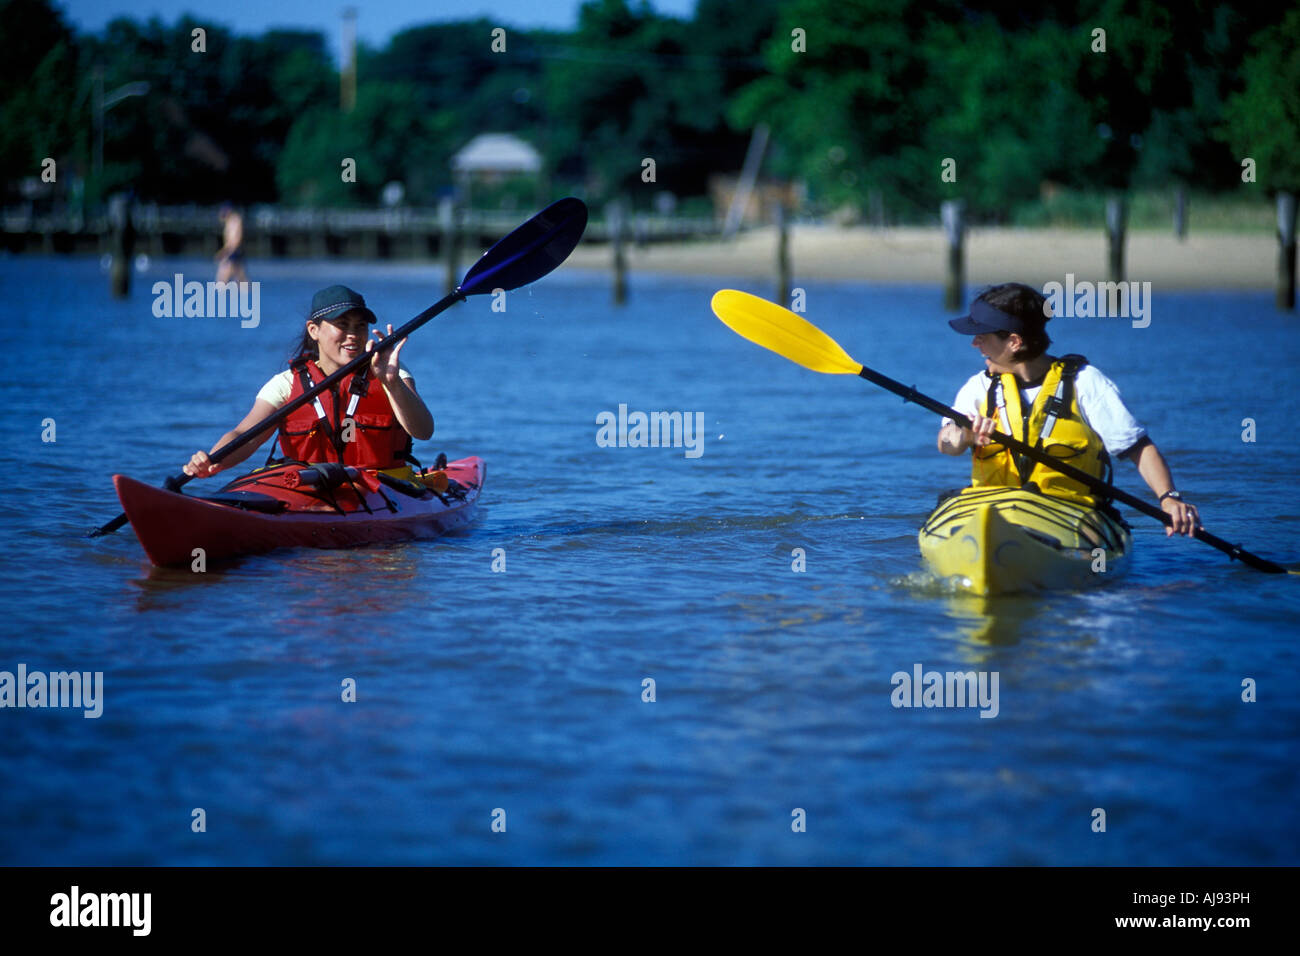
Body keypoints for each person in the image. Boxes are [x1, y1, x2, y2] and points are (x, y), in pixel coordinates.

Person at [936, 283, 1200, 537]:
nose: (975, 344)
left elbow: (1137, 448)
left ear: (1014, 341)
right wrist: (963, 437)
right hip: (991, 511)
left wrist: (1169, 499)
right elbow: (947, 441)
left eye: (982, 336)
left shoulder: (1085, 382)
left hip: (1068, 515)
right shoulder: (978, 387)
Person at [183, 285, 434, 479]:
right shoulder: (284, 384)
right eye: (342, 325)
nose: (353, 335)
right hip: (309, 488)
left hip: (380, 487)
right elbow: (246, 435)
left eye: (360, 326)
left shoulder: (391, 371)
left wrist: (391, 383)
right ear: (314, 330)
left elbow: (423, 431)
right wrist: (214, 461)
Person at [215, 203, 248, 283]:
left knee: (223, 275)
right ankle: (248, 292)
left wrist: (224, 252)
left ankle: (220, 292)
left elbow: (234, 240)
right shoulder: (233, 221)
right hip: (235, 250)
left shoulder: (233, 222)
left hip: (233, 250)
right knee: (239, 276)